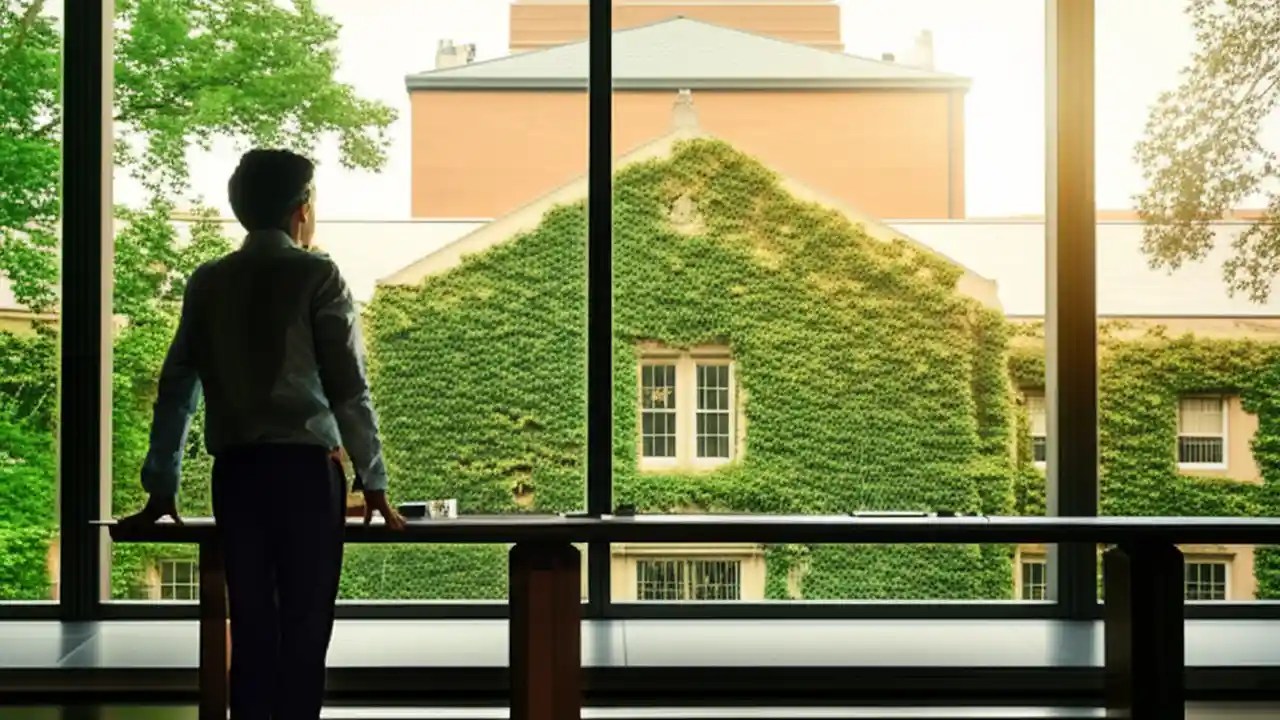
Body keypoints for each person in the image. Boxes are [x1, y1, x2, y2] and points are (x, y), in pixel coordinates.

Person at [120, 148, 406, 720]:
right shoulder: (317, 275)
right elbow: (349, 388)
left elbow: (177, 387)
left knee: (251, 629)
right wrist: (373, 480)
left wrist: (162, 484)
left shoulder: (209, 281)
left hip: (238, 476)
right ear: (302, 210)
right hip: (306, 476)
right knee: (303, 634)